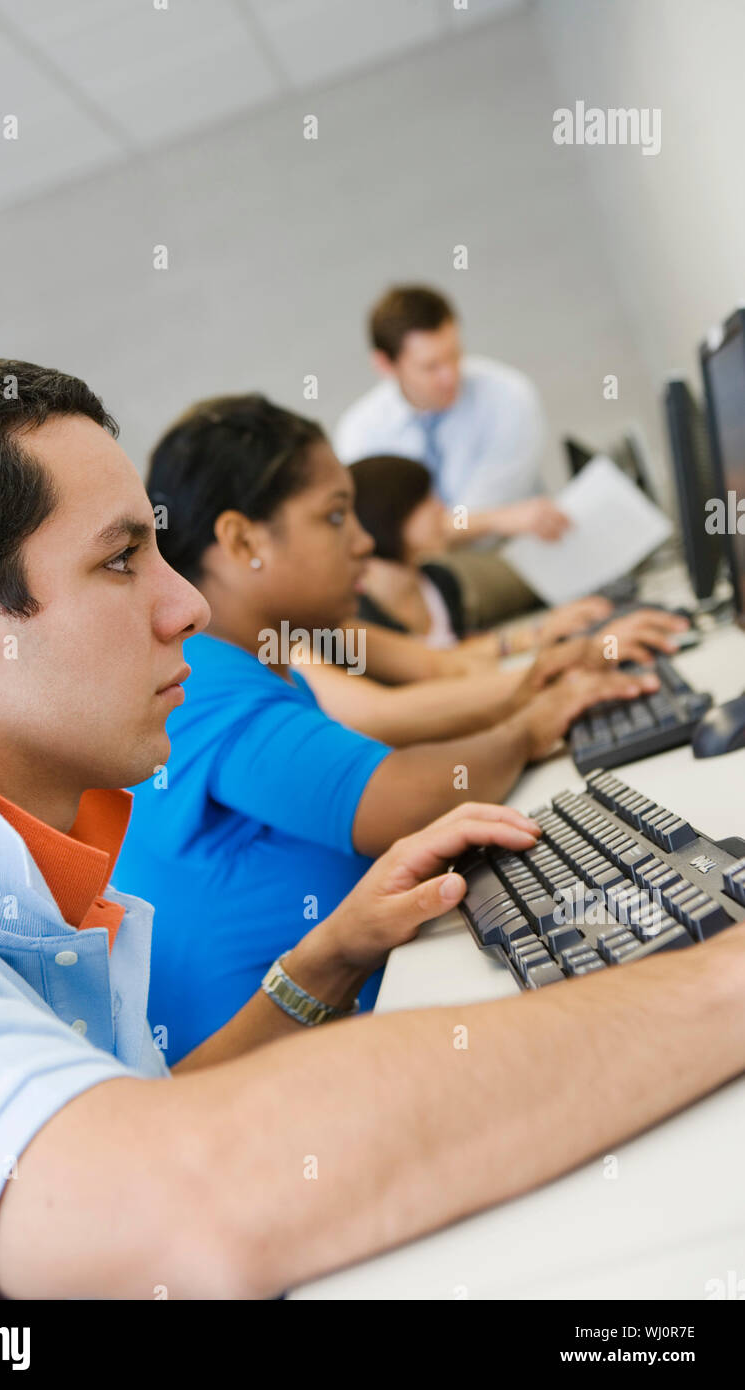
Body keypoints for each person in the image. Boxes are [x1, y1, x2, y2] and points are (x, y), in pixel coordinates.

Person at [0, 356, 741, 1305]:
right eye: (120, 559)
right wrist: (723, 979)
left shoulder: (35, 861)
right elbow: (189, 1192)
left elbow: (146, 1113)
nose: (189, 607)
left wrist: (326, 958)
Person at [120, 393, 678, 1058]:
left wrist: (529, 703)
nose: (361, 541)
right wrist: (530, 728)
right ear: (243, 540)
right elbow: (400, 799)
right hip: (283, 1081)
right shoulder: (200, 684)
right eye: (334, 517)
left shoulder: (257, 666)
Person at [333, 284, 569, 545]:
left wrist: (480, 522)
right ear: (385, 365)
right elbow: (377, 535)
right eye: (431, 367)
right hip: (424, 567)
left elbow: (466, 521)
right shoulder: (361, 430)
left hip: (506, 552)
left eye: (454, 355)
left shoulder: (508, 397)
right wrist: (495, 518)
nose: (450, 376)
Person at [348, 452, 613, 653]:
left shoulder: (440, 582)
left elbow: (464, 649)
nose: (440, 508)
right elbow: (439, 665)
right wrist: (538, 633)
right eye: (424, 501)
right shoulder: (358, 617)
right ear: (385, 518)